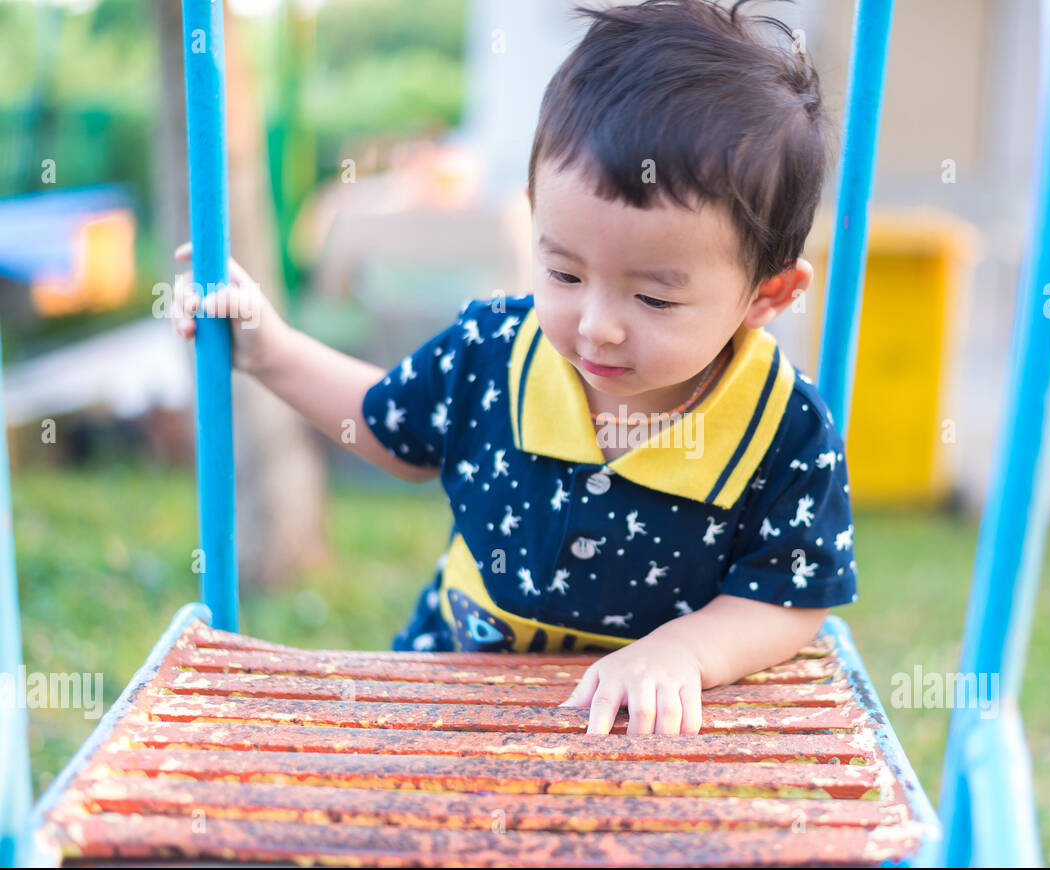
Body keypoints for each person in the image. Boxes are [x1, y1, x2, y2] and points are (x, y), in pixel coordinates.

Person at [170, 0, 857, 737]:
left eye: (654, 296)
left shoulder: (783, 430)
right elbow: (385, 424)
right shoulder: (498, 349)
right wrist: (270, 348)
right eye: (563, 273)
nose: (597, 323)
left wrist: (684, 652)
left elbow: (790, 591)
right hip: (452, 705)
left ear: (767, 295)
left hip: (639, 735)